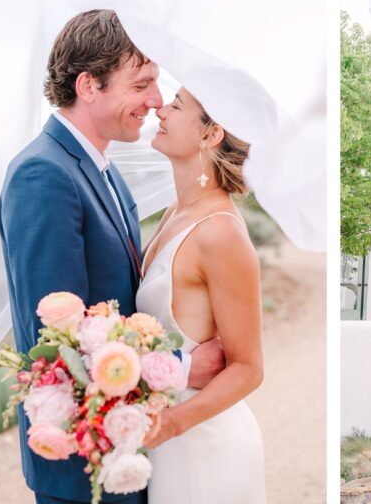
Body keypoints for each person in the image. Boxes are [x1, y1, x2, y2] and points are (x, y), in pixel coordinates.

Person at [0, 10, 223, 504]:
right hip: (82, 461)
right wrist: (184, 368)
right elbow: (56, 342)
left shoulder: (109, 174)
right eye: (142, 84)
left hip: (126, 443)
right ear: (89, 85)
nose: (156, 101)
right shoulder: (42, 175)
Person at [138, 87, 266, 503]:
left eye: (177, 105)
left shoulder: (221, 233)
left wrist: (170, 425)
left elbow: (248, 367)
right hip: (169, 442)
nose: (160, 107)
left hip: (203, 444)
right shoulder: (176, 212)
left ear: (212, 134)